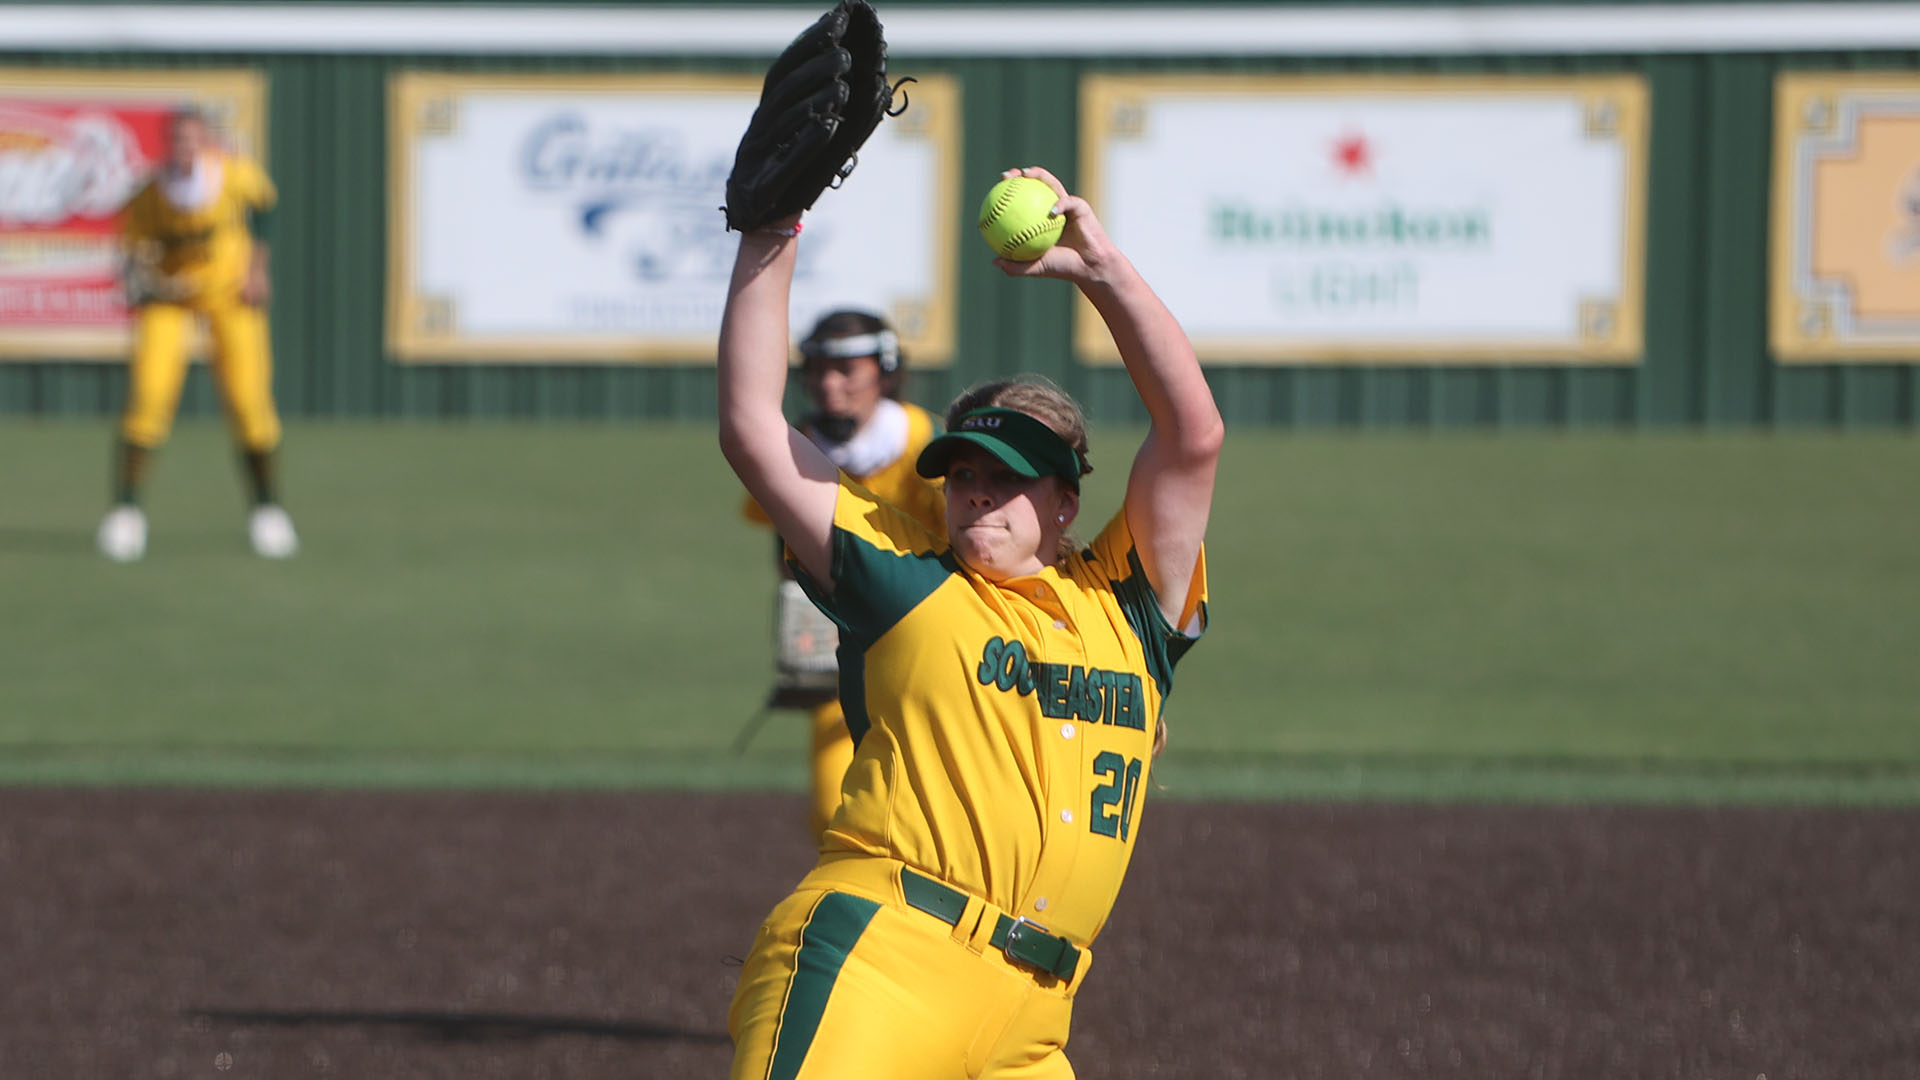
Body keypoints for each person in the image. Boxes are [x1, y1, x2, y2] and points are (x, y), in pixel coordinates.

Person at [717, 165, 1222, 1078]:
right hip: (882, 962)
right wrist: (768, 230)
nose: (979, 491)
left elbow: (1193, 437)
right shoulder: (906, 579)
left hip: (1033, 1024)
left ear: (1067, 502)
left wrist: (1101, 269)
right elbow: (754, 427)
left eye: (1010, 474)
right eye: (963, 473)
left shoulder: (1129, 607)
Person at [741, 309, 946, 842]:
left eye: (846, 370)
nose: (830, 385)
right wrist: (802, 617)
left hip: (937, 646)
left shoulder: (931, 448)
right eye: (818, 370)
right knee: (835, 810)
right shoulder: (793, 447)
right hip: (847, 651)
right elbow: (783, 544)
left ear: (886, 371)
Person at [95, 106, 296, 562]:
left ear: (207, 141)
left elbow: (264, 205)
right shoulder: (150, 192)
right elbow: (129, 248)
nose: (186, 148)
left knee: (249, 400)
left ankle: (268, 510)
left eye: (194, 139)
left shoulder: (231, 174)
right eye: (179, 140)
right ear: (168, 144)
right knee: (148, 396)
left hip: (228, 296)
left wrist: (257, 270)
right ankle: (126, 512)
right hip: (170, 299)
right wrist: (135, 277)